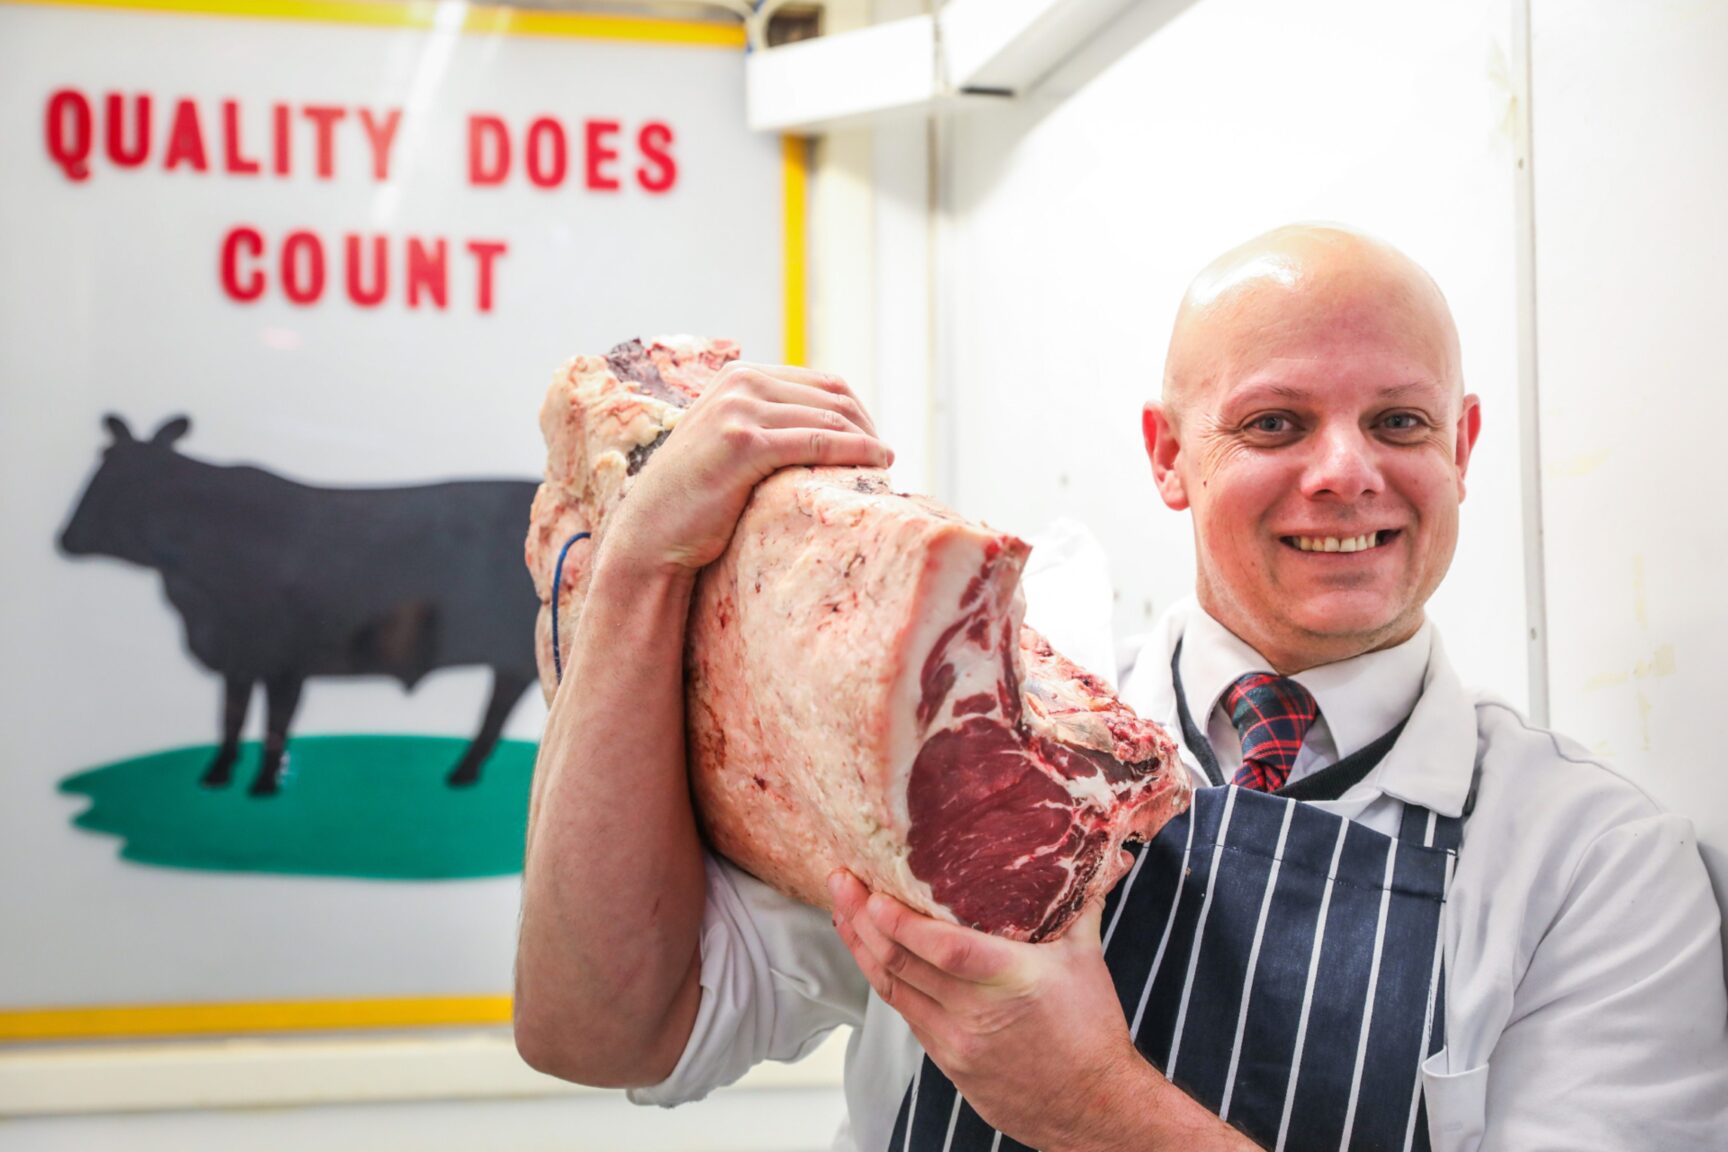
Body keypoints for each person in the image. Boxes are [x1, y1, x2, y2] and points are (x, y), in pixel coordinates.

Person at [513, 225, 1728, 1151]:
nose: (1347, 473)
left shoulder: (1594, 867)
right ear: (1168, 457)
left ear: (1460, 451)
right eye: (1275, 424)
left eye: (1400, 421)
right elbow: (604, 1028)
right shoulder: (957, 747)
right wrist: (637, 570)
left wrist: (1091, 1108)